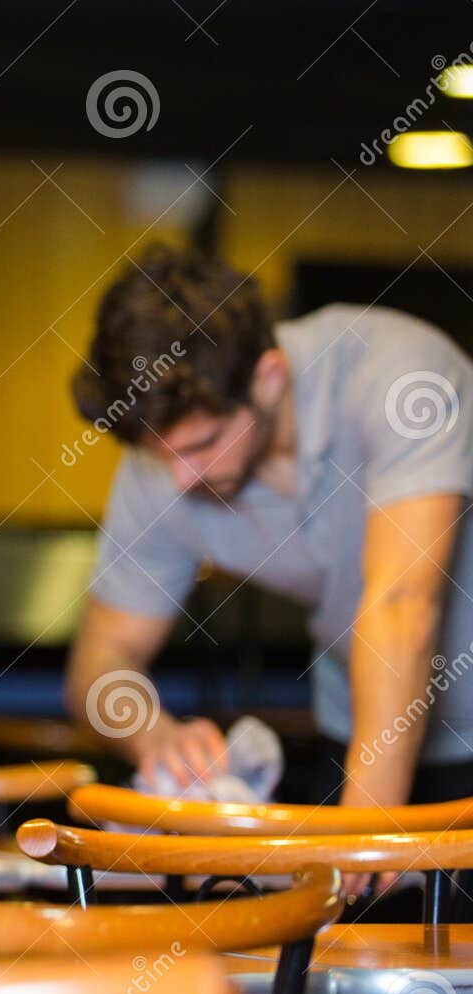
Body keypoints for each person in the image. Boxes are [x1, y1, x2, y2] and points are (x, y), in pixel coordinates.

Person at [65, 243, 473, 863]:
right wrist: (154, 736)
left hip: (412, 714)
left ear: (269, 377)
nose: (179, 478)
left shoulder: (399, 375)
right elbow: (101, 661)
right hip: (363, 730)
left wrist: (360, 849)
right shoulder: (166, 460)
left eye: (201, 444)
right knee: (349, 950)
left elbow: (401, 606)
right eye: (160, 453)